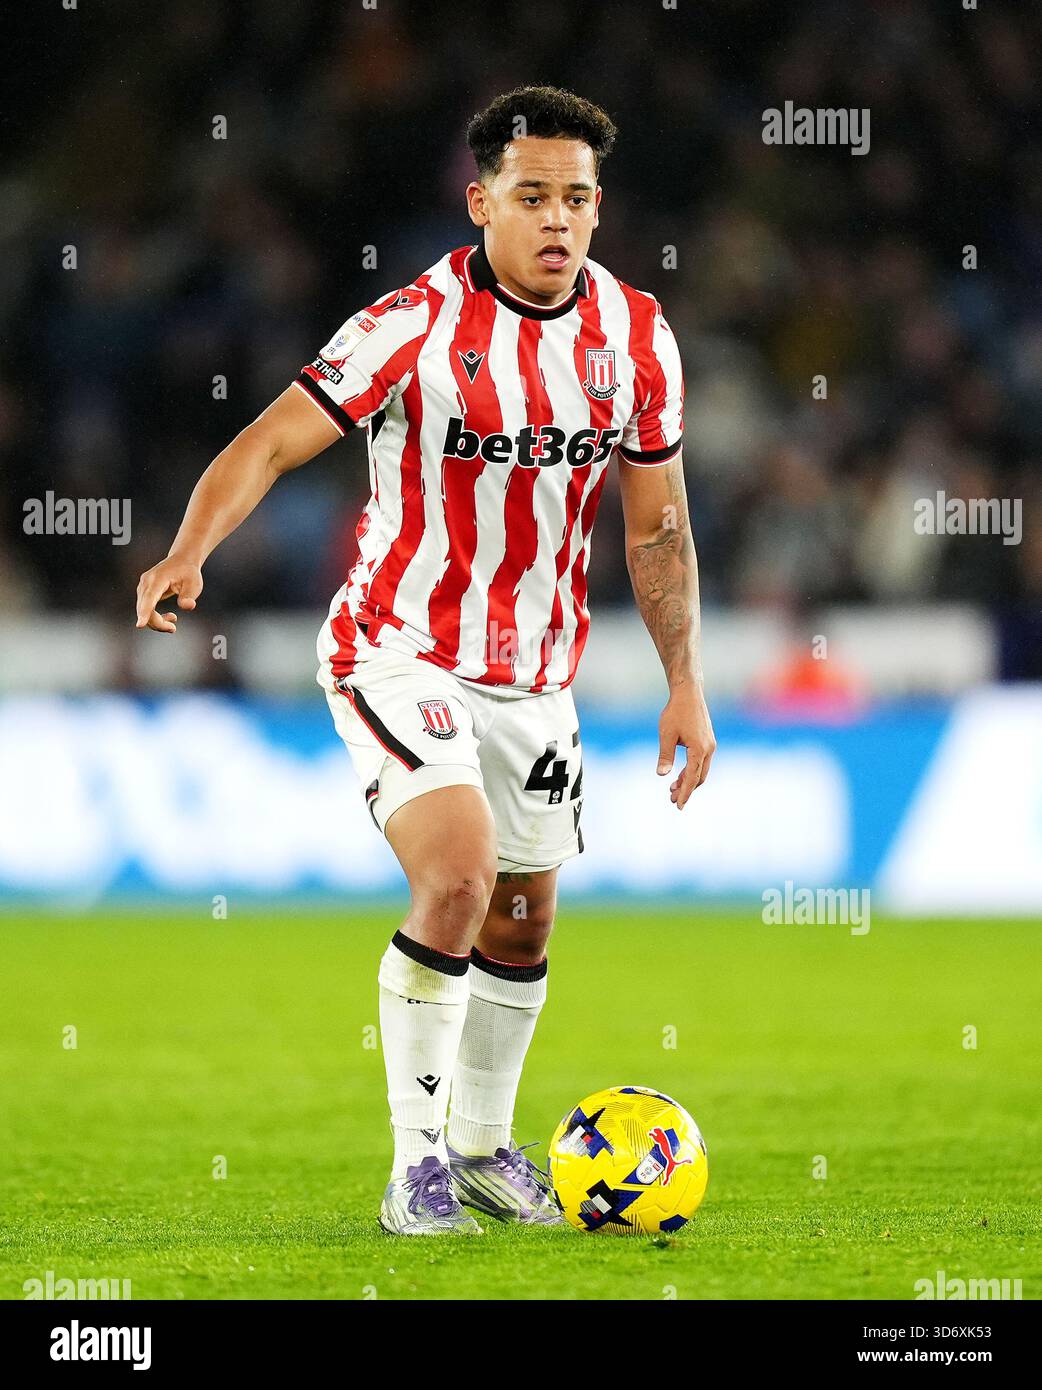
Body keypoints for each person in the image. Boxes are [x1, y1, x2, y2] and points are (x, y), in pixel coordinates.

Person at [135, 85, 716, 1235]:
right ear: (481, 201)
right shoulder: (413, 322)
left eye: (579, 199)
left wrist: (684, 679)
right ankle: (416, 1173)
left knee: (523, 920)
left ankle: (488, 1147)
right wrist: (189, 549)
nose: (559, 219)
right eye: (533, 195)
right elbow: (272, 439)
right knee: (455, 874)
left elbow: (655, 526)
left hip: (537, 674)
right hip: (400, 647)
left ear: (600, 212)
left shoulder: (637, 336)